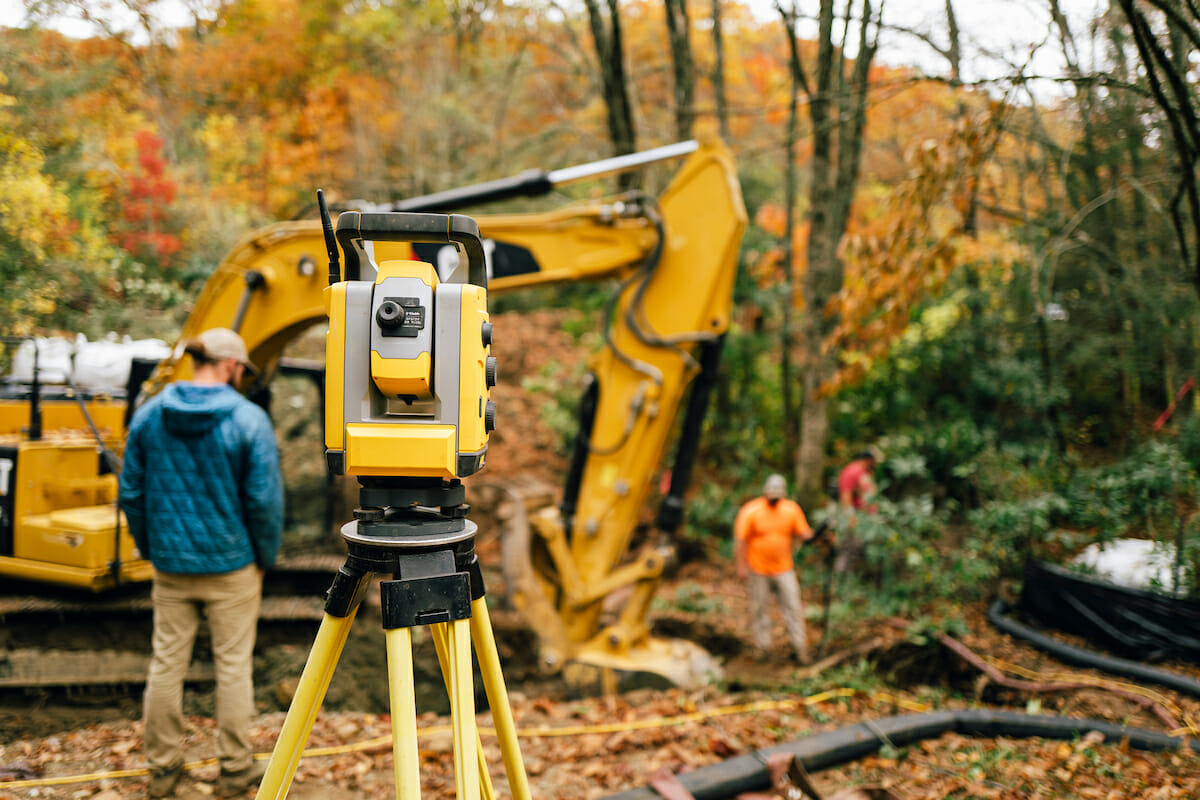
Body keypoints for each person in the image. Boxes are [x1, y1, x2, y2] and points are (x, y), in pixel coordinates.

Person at [119, 327, 283, 798]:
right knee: (233, 667)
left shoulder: (149, 417)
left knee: (166, 663)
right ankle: (234, 772)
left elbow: (131, 492)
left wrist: (152, 547)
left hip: (171, 566)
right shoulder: (249, 420)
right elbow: (263, 500)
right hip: (232, 566)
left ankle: (163, 771)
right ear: (231, 365)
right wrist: (263, 557)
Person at [734, 473, 814, 663]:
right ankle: (763, 649)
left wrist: (820, 536)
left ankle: (800, 649)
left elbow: (804, 533)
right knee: (759, 608)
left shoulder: (790, 509)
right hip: (758, 569)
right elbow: (741, 541)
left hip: (784, 568)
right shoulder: (751, 510)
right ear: (765, 492)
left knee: (793, 607)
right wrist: (741, 566)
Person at [835, 445, 882, 574]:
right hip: (856, 516)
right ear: (868, 459)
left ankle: (858, 575)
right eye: (874, 461)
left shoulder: (866, 472)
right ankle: (842, 576)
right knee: (850, 546)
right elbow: (846, 495)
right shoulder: (852, 471)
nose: (875, 464)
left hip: (866, 518)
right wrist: (851, 517)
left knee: (861, 547)